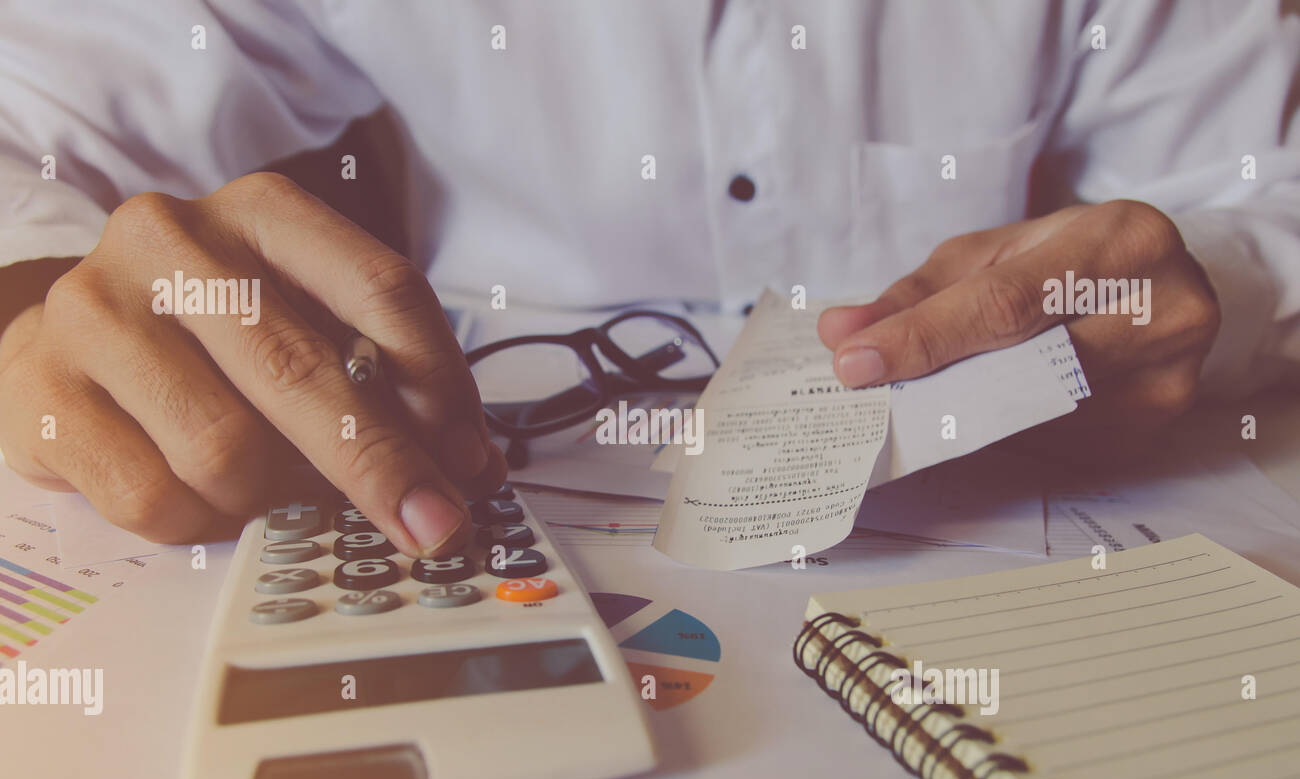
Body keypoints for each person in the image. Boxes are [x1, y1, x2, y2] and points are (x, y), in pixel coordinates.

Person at [0, 0, 1297, 558]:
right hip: (489, 465)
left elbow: (1270, 180)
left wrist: (1209, 285)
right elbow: (26, 122)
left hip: (1023, 515)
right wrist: (36, 311)